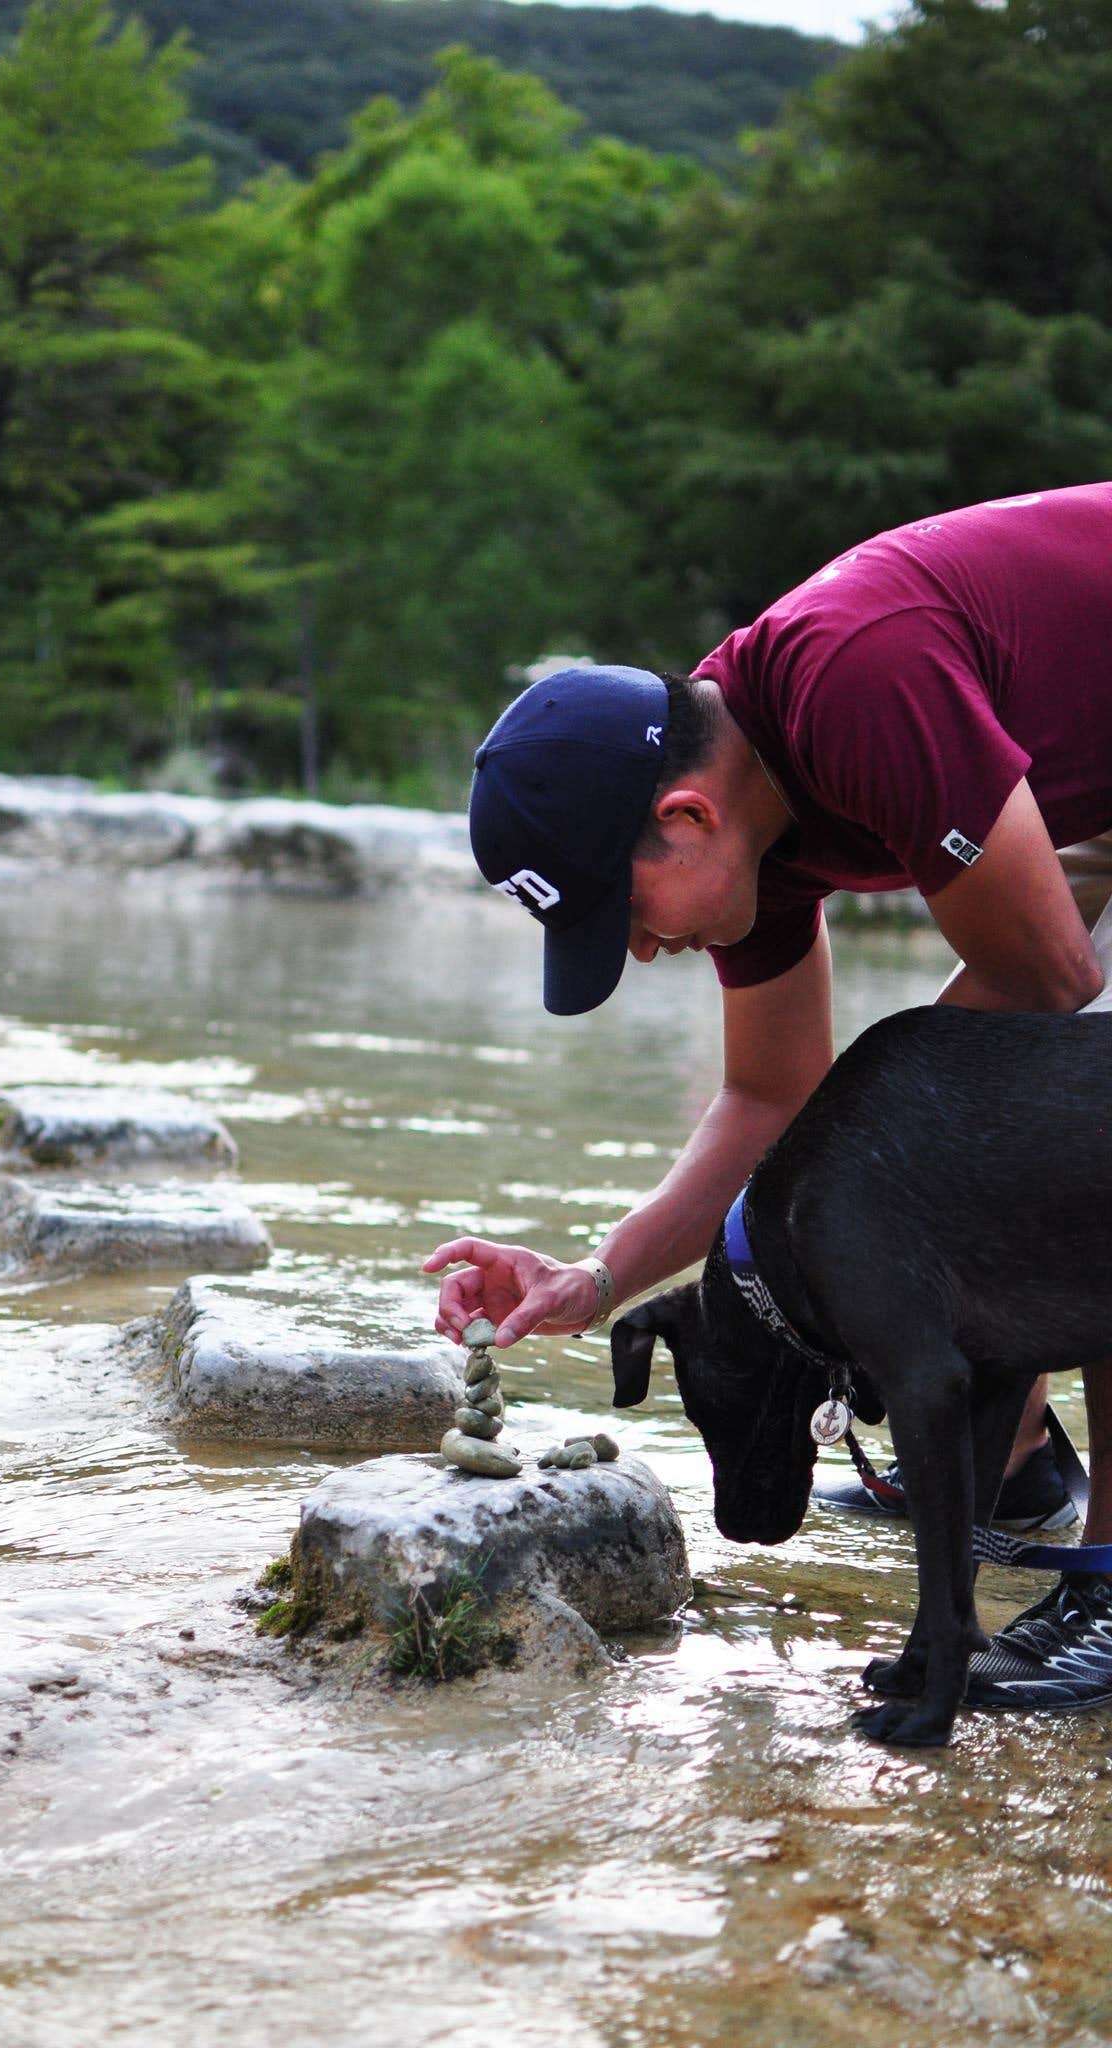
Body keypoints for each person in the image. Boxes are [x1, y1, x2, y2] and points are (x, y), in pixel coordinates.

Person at [424, 482, 1112, 1714]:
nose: (642, 951)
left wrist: (859, 1205)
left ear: (684, 817)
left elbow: (1047, 978)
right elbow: (771, 1094)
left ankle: (1109, 1578)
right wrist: (598, 1276)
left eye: (626, 916)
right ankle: (1010, 1461)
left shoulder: (851, 685)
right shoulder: (752, 807)